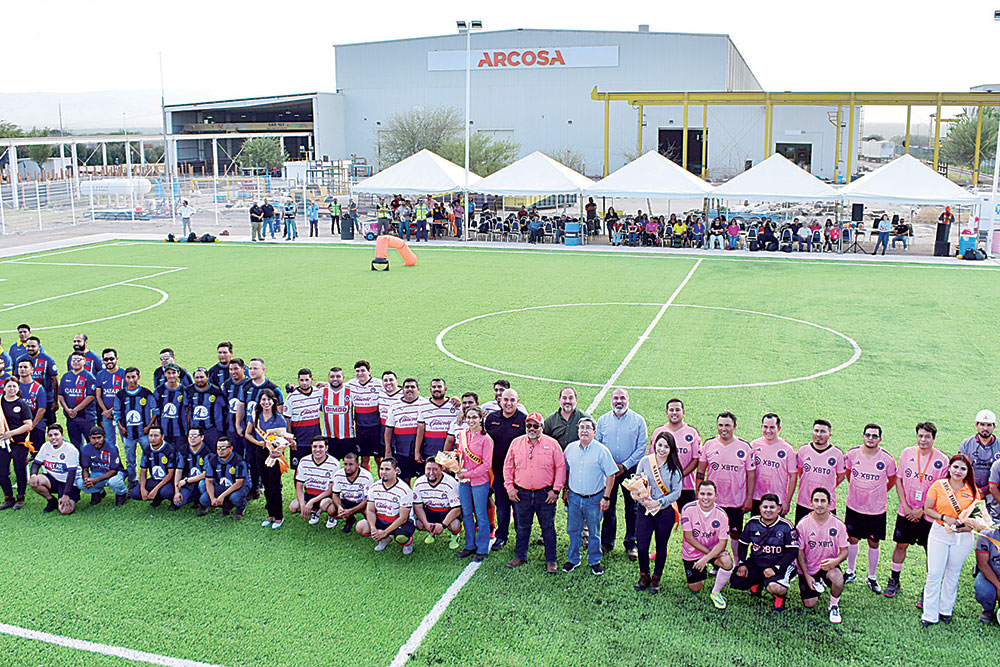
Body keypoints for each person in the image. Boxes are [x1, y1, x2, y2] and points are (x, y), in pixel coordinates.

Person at [885, 422, 950, 599]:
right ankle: (894, 580)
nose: (923, 440)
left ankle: (928, 589)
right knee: (901, 545)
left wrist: (922, 511)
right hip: (905, 510)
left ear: (934, 438)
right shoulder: (907, 453)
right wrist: (906, 507)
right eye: (920, 436)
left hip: (928, 514)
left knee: (930, 551)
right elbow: (898, 480)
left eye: (927, 436)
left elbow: (942, 491)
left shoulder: (942, 460)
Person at [921, 454, 978, 626]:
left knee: (953, 573)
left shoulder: (972, 490)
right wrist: (944, 517)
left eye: (962, 468)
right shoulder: (939, 485)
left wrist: (969, 526)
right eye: (955, 467)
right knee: (934, 574)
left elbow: (976, 517)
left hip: (963, 537)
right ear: (950, 468)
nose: (958, 471)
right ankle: (929, 614)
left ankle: (946, 610)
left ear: (967, 471)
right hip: (939, 532)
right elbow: (927, 509)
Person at [503, 410, 563, 571]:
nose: (532, 428)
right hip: (521, 493)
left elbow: (561, 468)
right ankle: (520, 556)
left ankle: (551, 560)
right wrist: (510, 488)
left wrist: (556, 490)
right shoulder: (516, 443)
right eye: (529, 425)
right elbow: (508, 467)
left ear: (542, 427)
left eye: (535, 426)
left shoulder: (552, 444)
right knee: (522, 526)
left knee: (548, 527)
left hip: (545, 494)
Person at [843, 423, 897, 594]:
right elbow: (848, 473)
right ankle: (850, 572)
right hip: (854, 506)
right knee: (852, 538)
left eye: (875, 436)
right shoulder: (852, 454)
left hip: (875, 510)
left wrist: (878, 492)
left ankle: (871, 577)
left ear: (880, 439)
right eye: (868, 435)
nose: (871, 438)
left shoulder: (887, 459)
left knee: (873, 542)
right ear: (863, 436)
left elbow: (892, 480)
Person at [595, 388, 647, 560]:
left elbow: (641, 447)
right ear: (611, 400)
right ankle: (607, 542)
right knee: (608, 505)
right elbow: (598, 445)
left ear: (628, 399)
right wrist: (610, 466)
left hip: (630, 470)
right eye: (616, 398)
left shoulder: (638, 420)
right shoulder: (603, 420)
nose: (619, 401)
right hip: (608, 471)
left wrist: (624, 465)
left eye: (622, 398)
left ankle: (631, 543)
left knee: (632, 508)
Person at [562, 418, 618, 575]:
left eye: (588, 428)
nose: (584, 431)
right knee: (573, 529)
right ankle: (573, 559)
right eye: (581, 428)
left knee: (594, 531)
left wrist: (606, 497)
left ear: (594, 432)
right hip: (574, 497)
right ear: (578, 431)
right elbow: (565, 470)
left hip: (594, 498)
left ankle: (594, 560)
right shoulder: (570, 449)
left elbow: (611, 475)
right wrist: (565, 490)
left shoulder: (601, 451)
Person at [632, 431, 683, 593]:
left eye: (666, 446)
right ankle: (644, 575)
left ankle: (656, 578)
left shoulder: (674, 468)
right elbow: (636, 480)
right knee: (642, 545)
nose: (662, 449)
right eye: (660, 445)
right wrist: (640, 497)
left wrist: (659, 502)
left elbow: (676, 492)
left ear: (671, 449)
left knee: (661, 546)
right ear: (655, 445)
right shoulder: (645, 461)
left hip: (664, 512)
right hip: (644, 510)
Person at [698, 412, 755, 555]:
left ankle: (736, 563)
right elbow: (700, 472)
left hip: (735, 501)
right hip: (713, 501)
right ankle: (715, 563)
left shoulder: (745, 447)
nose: (724, 429)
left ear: (734, 426)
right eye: (720, 425)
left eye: (727, 425)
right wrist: (698, 494)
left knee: (735, 534)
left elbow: (751, 475)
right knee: (713, 534)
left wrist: (749, 498)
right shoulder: (709, 444)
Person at [730, 493, 798, 612]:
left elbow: (792, 552)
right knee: (737, 580)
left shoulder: (786, 526)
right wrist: (742, 563)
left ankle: (779, 599)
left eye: (772, 507)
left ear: (779, 509)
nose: (768, 510)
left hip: (779, 564)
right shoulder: (752, 523)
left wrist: (776, 568)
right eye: (765, 507)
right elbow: (743, 544)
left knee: (775, 587)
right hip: (757, 562)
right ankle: (758, 583)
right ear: (760, 508)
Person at [796, 488, 848, 624]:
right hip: (809, 568)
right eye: (816, 501)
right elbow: (799, 553)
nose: (819, 504)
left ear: (829, 503)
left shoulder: (838, 525)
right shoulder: (803, 525)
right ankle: (815, 582)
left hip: (827, 567)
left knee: (837, 578)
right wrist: (806, 575)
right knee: (809, 603)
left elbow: (845, 551)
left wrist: (835, 561)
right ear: (811, 503)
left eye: (823, 501)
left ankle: (834, 605)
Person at [680, 480, 734, 609]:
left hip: (713, 551)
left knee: (727, 562)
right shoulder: (688, 509)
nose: (705, 497)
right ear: (697, 494)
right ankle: (702, 571)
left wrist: (705, 559)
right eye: (702, 493)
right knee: (695, 588)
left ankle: (715, 592)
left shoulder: (722, 515)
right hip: (692, 552)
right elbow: (689, 537)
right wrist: (705, 556)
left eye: (709, 494)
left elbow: (722, 543)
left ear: (716, 496)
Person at [484, 388, 526, 552]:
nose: (508, 403)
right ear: (499, 401)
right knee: (502, 506)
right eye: (505, 400)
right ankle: (501, 536)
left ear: (518, 401)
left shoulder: (523, 420)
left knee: (519, 507)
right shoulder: (491, 419)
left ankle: (521, 536)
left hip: (519, 472)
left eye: (512, 400)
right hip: (498, 471)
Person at [238, 358, 284, 497]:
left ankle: (277, 488)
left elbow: (279, 412)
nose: (252, 371)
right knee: (252, 460)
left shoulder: (274, 388)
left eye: (255, 368)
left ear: (263, 370)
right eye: (250, 368)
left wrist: (276, 437)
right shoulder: (245, 387)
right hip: (253, 433)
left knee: (273, 462)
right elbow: (241, 406)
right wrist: (238, 424)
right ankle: (256, 488)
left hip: (270, 436)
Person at [244, 388, 288, 529]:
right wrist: (260, 443)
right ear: (260, 401)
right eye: (263, 399)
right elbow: (248, 434)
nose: (266, 402)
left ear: (273, 401)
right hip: (260, 452)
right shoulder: (256, 415)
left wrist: (277, 450)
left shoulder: (278, 418)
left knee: (275, 485)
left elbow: (284, 439)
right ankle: (270, 514)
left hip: (275, 454)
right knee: (266, 485)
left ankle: (279, 516)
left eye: (269, 399)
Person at [648, 398, 701, 508]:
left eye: (677, 410)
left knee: (688, 519)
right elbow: (652, 458)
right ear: (667, 412)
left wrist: (680, 475)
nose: (674, 413)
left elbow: (696, 459)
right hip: (663, 486)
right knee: (664, 520)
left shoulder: (692, 433)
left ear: (683, 412)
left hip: (686, 486)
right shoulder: (659, 432)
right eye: (671, 410)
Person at [357, 457, 416, 554]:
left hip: (400, 521)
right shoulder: (374, 487)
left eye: (387, 469)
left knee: (401, 537)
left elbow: (403, 518)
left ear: (396, 471)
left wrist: (385, 532)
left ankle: (408, 543)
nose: (383, 472)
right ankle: (384, 539)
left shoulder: (405, 490)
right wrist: (373, 528)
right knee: (361, 526)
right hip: (383, 519)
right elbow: (370, 510)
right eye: (382, 469)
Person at [114, 367, 158, 491]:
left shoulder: (146, 393)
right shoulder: (121, 395)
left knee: (150, 457)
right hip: (128, 434)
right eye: (128, 377)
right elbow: (116, 412)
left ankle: (152, 479)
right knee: (130, 460)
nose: (131, 380)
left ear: (138, 377)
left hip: (144, 433)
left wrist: (149, 426)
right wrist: (121, 427)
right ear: (125, 378)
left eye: (134, 377)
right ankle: (133, 481)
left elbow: (155, 411)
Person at [794, 419, 846, 524]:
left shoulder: (837, 454)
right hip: (804, 502)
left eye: (823, 432)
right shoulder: (803, 450)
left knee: (826, 536)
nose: (819, 434)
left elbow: (841, 476)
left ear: (830, 434)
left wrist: (828, 485)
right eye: (816, 431)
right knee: (801, 535)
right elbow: (800, 472)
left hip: (826, 504)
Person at [750, 413, 797, 517]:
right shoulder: (754, 445)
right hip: (757, 498)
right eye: (765, 427)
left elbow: (793, 476)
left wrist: (787, 501)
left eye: (772, 427)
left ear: (779, 428)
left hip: (777, 499)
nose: (768, 431)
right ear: (761, 426)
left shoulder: (788, 449)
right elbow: (748, 473)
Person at [28, 424, 81, 514]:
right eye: (50, 435)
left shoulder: (70, 450)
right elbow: (36, 463)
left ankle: (70, 497)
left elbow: (71, 475)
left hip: (69, 483)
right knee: (34, 480)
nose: (53, 438)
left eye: (56, 434)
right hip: (52, 479)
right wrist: (33, 475)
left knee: (65, 511)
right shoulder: (46, 446)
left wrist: (66, 494)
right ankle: (51, 500)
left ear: (62, 435)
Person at [0, 376, 34, 510]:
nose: (12, 389)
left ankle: (21, 497)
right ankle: (8, 497)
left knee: (19, 469)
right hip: (3, 442)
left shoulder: (21, 404)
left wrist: (11, 433)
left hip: (19, 442)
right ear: (4, 388)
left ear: (18, 388)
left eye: (14, 386)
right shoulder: (1, 402)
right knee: (2, 471)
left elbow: (28, 425)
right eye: (9, 386)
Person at [959, 409, 999, 522]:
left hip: (994, 495)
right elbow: (959, 469)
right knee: (967, 524)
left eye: (989, 425)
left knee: (991, 527)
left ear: (994, 426)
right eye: (982, 424)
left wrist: (985, 490)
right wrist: (975, 490)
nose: (985, 428)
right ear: (976, 425)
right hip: (969, 492)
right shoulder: (966, 444)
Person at [413, 458, 462, 548]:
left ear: (442, 469)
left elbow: (457, 509)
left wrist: (443, 525)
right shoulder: (418, 483)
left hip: (447, 511)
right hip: (431, 510)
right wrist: (427, 525)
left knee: (454, 525)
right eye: (428, 469)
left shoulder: (451, 483)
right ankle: (431, 532)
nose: (431, 472)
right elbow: (418, 507)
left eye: (435, 469)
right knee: (419, 524)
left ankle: (455, 535)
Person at [384, 377, 425, 484]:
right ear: (402, 389)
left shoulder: (425, 404)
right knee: (404, 479)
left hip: (421, 450)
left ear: (418, 389)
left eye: (412, 387)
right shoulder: (394, 406)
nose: (409, 389)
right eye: (407, 387)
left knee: (422, 478)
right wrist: (388, 450)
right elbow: (388, 430)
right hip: (401, 450)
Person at [290, 436, 339, 525]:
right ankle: (314, 512)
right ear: (311, 447)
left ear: (326, 448)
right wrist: (302, 504)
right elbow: (299, 485)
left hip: (325, 496)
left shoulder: (334, 463)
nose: (317, 450)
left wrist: (312, 502)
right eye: (315, 447)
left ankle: (332, 516)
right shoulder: (304, 461)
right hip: (309, 494)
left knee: (326, 506)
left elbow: (331, 489)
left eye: (321, 447)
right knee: (293, 507)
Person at [77, 425, 128, 506]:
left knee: (114, 482)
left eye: (99, 437)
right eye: (93, 438)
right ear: (89, 438)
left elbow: (114, 471)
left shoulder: (111, 448)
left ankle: (121, 494)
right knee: (80, 483)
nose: (97, 441)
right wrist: (87, 480)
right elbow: (85, 468)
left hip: (114, 473)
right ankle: (97, 492)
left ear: (104, 437)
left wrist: (96, 480)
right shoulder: (86, 449)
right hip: (97, 472)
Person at [200, 436, 249, 520]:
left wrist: (222, 496)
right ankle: (226, 505)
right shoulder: (213, 460)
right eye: (218, 448)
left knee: (235, 497)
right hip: (221, 486)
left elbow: (239, 483)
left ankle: (240, 509)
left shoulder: (239, 461)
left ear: (231, 448)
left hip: (239, 487)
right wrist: (212, 498)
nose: (220, 451)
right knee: (204, 499)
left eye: (223, 448)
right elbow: (209, 481)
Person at [345, 360, 382, 471]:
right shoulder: (351, 384)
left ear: (369, 371)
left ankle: (382, 485)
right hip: (360, 428)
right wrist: (324, 384)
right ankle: (367, 484)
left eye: (362, 371)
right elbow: (336, 386)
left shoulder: (378, 384)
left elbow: (395, 388)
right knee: (364, 459)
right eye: (357, 371)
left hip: (376, 428)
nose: (360, 373)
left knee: (378, 459)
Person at [284, 368, 323, 469]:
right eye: (301, 380)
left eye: (307, 380)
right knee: (299, 469)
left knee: (316, 468)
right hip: (299, 441)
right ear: (298, 380)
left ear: (312, 379)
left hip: (315, 440)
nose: (304, 383)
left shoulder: (318, 393)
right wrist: (290, 439)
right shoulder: (291, 397)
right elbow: (287, 419)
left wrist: (325, 384)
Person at [58, 351, 97, 449]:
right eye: (73, 360)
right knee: (75, 443)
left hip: (86, 417)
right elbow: (61, 395)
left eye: (78, 360)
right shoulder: (66, 376)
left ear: (84, 361)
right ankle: (79, 463)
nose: (75, 362)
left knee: (92, 442)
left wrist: (75, 410)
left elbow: (90, 396)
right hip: (71, 417)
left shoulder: (89, 377)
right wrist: (67, 409)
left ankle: (92, 463)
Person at [130, 425, 176, 506]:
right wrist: (142, 489)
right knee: (135, 493)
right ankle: (157, 498)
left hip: (169, 481)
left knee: (166, 492)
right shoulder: (147, 450)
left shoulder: (170, 450)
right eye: (151, 435)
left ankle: (173, 501)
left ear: (162, 436)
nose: (153, 438)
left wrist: (155, 489)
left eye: (156, 436)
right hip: (154, 479)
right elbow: (143, 471)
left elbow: (170, 474)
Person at [416, 378, 458, 463]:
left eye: (439, 386)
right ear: (430, 390)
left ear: (445, 389)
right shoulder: (423, 406)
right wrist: (417, 452)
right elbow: (420, 431)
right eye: (434, 387)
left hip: (450, 452)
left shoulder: (454, 405)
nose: (436, 389)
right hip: (429, 450)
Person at [329, 451, 373, 531]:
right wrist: (339, 507)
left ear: (358, 465)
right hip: (347, 500)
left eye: (351, 464)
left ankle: (370, 526)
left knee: (369, 512)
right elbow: (335, 494)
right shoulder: (338, 474)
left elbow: (368, 499)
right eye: (345, 464)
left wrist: (351, 511)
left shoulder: (367, 476)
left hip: (362, 502)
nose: (348, 468)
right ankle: (350, 520)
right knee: (331, 509)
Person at [171, 426, 212, 511]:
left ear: (202, 437)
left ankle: (205, 503)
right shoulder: (183, 449)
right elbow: (179, 470)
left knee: (202, 484)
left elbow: (206, 474)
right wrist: (177, 491)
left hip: (200, 481)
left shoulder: (207, 451)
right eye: (190, 436)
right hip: (188, 483)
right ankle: (193, 498)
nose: (192, 438)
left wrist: (186, 480)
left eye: (195, 436)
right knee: (178, 502)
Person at [185, 368, 226, 449]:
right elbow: (187, 409)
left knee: (213, 452)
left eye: (201, 377)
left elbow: (223, 409)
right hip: (195, 431)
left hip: (211, 430)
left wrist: (219, 430)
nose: (199, 380)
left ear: (207, 377)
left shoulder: (215, 391)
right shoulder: (189, 390)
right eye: (197, 377)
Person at [94, 348, 126, 450]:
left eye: (111, 359)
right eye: (106, 359)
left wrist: (111, 410)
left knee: (126, 442)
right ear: (103, 361)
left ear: (116, 358)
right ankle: (114, 464)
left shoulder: (123, 374)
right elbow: (98, 395)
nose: (109, 362)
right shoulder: (100, 375)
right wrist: (105, 411)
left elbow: (124, 396)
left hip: (122, 413)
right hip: (106, 415)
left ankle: (131, 466)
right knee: (110, 442)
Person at [24, 336, 59, 426]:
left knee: (50, 424)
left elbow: (55, 380)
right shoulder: (21, 360)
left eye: (33, 346)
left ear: (39, 347)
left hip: (47, 398)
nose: (30, 349)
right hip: (27, 399)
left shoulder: (48, 360)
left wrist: (55, 400)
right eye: (28, 346)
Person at [16, 358, 47, 454]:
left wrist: (31, 426)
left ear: (32, 369)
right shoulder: (13, 386)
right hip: (17, 427)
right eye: (20, 367)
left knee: (38, 455)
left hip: (36, 426)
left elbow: (42, 409)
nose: (22, 369)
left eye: (25, 367)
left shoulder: (38, 388)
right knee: (19, 455)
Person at [155, 363, 188, 449]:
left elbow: (188, 411)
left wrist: (188, 428)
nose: (171, 375)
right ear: (165, 374)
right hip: (164, 431)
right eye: (168, 373)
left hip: (180, 432)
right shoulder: (159, 390)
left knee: (180, 455)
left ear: (178, 374)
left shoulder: (184, 391)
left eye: (174, 373)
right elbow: (155, 411)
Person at [973, 521, 1000, 624]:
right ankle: (988, 610)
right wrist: (998, 586)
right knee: (984, 590)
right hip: (991, 574)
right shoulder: (986, 536)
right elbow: (982, 564)